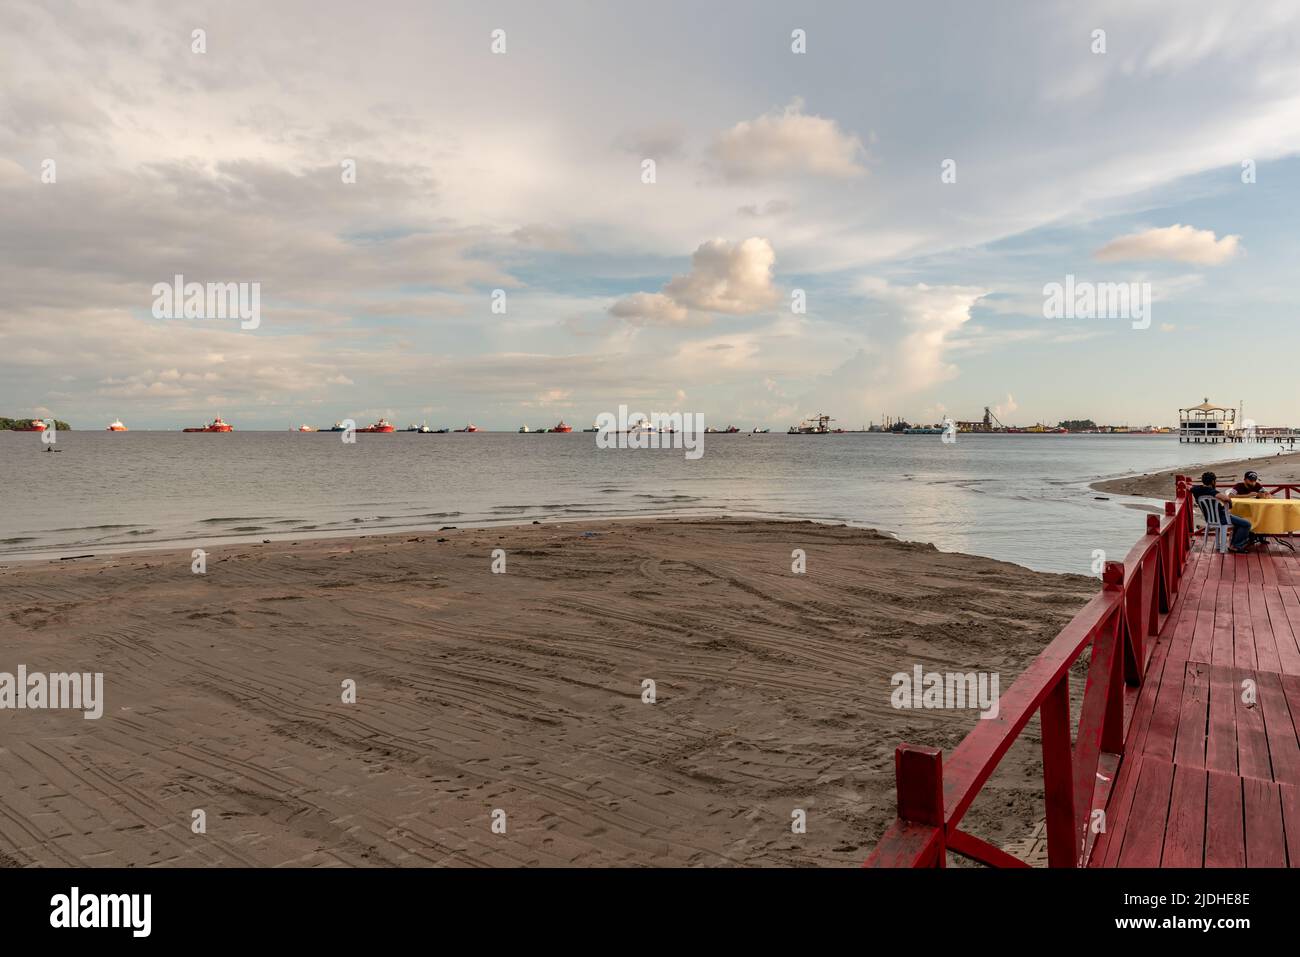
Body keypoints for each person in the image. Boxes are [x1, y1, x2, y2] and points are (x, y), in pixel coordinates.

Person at [1189, 471, 1252, 553]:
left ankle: (1233, 543)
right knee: (1247, 524)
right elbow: (1225, 498)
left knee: (1240, 519)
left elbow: (1188, 487)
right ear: (1213, 481)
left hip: (1209, 518)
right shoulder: (1211, 491)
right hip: (1221, 517)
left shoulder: (1196, 489)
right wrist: (1230, 503)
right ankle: (1236, 546)